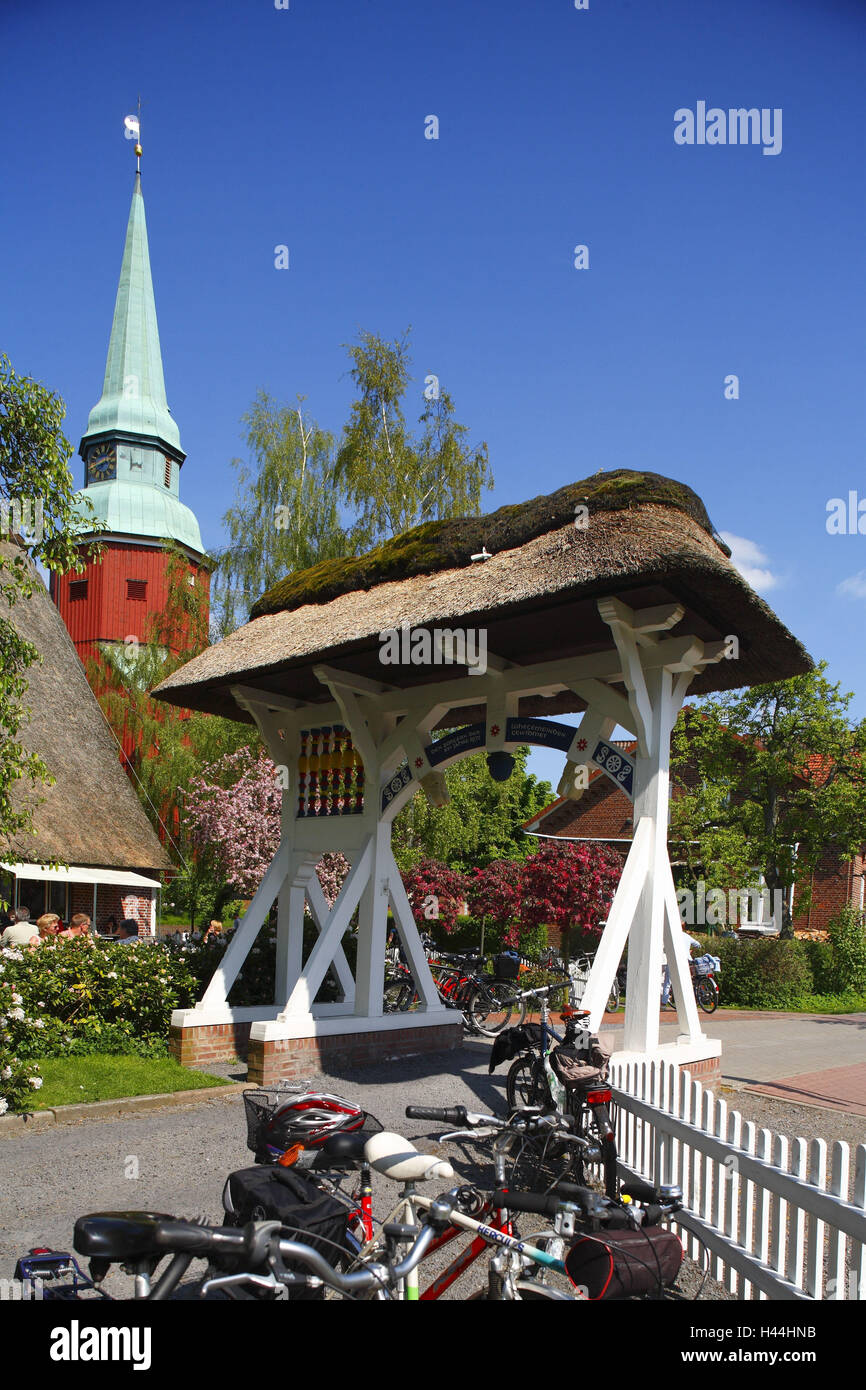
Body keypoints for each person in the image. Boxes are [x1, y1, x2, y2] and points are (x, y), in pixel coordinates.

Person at [661, 925, 702, 1008]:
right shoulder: (687, 936)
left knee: (668, 982)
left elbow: (665, 949)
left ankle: (663, 1004)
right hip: (686, 960)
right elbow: (698, 945)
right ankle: (688, 1002)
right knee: (686, 981)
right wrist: (689, 950)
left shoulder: (671, 937)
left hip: (673, 960)